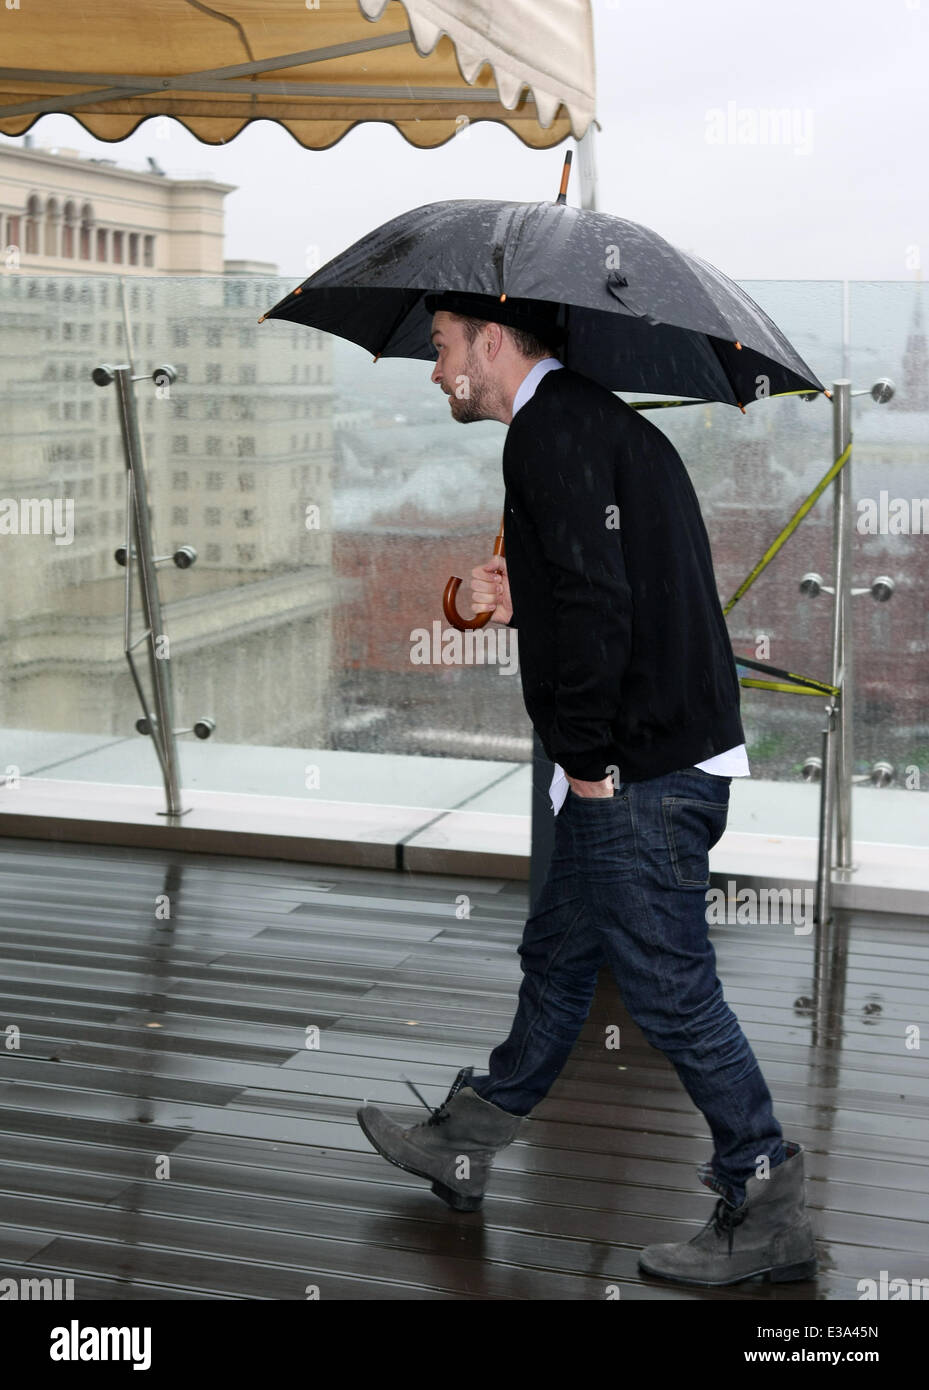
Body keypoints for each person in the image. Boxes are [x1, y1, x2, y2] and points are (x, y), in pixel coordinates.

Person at [357, 291, 817, 1288]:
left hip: (636, 771)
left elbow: (602, 614)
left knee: (665, 985)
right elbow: (597, 587)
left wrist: (585, 767)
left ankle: (763, 1193)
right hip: (646, 757)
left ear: (490, 339)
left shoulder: (549, 436)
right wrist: (493, 596)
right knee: (560, 955)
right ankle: (463, 1140)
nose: (436, 371)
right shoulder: (591, 426)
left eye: (440, 349)